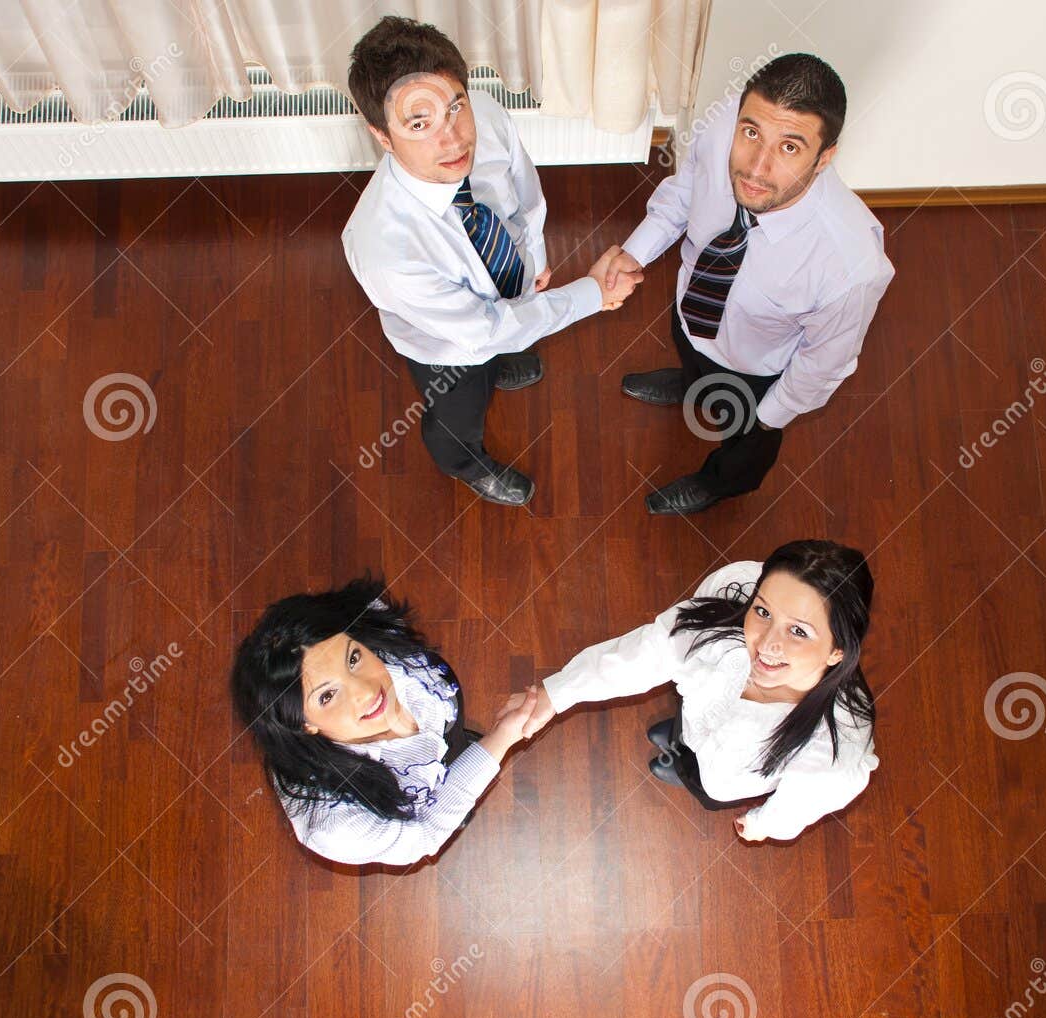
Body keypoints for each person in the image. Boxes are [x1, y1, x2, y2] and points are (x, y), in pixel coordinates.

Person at [343, 15, 641, 507]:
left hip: (510, 295)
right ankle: (462, 462)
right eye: (420, 124)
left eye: (454, 107)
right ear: (382, 134)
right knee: (460, 411)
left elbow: (526, 197)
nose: (454, 139)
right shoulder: (385, 251)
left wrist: (535, 261)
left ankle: (501, 367)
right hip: (450, 347)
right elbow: (483, 330)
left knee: (507, 343)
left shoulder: (484, 113)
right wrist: (593, 293)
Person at [597, 53, 895, 515]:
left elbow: (821, 367)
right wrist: (634, 252)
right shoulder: (723, 126)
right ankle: (690, 383)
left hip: (755, 372)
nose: (756, 167)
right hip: (692, 309)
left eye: (790, 147)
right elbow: (684, 192)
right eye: (751, 133)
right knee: (690, 351)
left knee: (745, 442)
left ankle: (720, 483)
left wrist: (763, 419)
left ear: (824, 158)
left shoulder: (851, 268)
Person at [524, 540, 878, 842]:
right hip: (696, 716)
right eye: (763, 611)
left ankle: (685, 772)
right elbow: (642, 655)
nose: (767, 643)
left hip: (725, 777)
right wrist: (557, 694)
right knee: (682, 731)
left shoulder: (835, 743)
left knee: (705, 786)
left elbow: (808, 796)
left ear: (838, 650)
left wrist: (764, 823)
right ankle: (679, 746)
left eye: (798, 632)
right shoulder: (721, 615)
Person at [230, 576, 538, 866]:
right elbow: (425, 836)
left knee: (457, 745)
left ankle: (457, 753)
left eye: (353, 659)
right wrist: (500, 738)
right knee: (452, 797)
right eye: (327, 696)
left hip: (442, 742)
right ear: (302, 724)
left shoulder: (371, 625)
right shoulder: (335, 827)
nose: (367, 690)